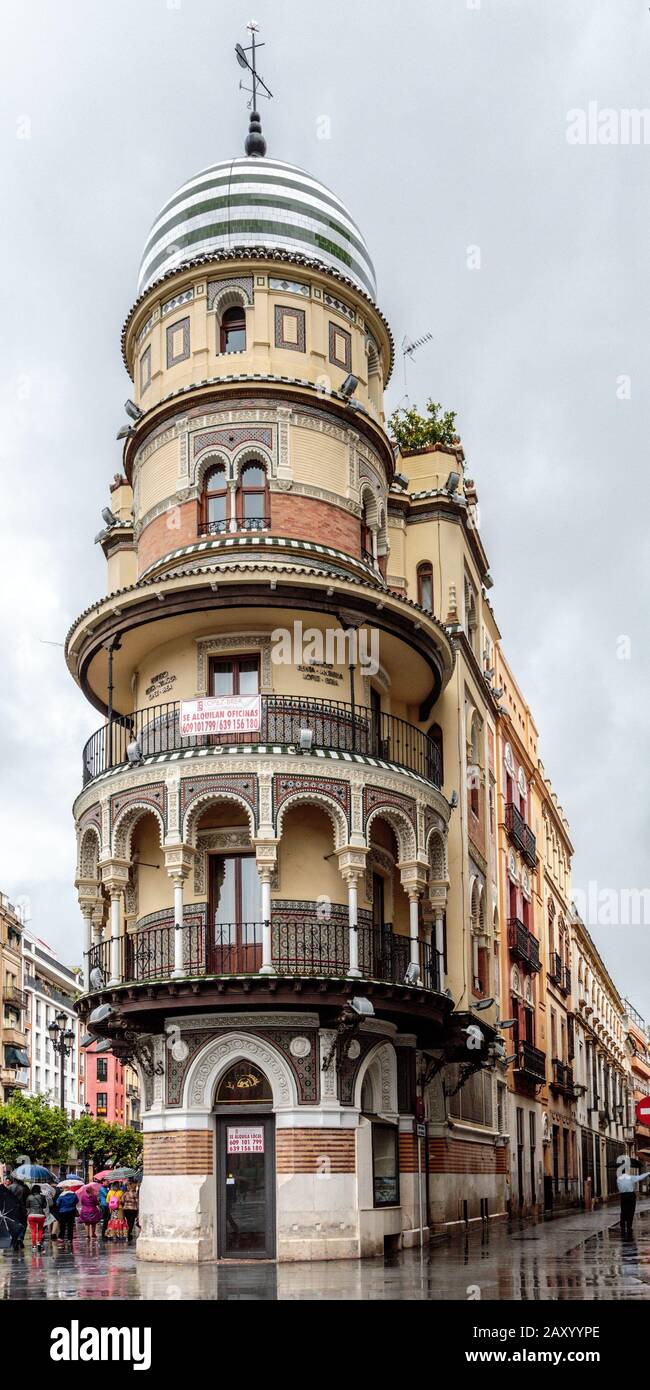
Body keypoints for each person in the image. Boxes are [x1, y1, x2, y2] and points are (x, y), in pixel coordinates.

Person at [617, 1168, 648, 1236]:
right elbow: (640, 1177)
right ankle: (629, 1225)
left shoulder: (618, 1179)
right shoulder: (631, 1177)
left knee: (623, 1209)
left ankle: (622, 1225)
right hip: (631, 1195)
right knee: (631, 1210)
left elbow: (619, 1187)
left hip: (623, 1195)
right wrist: (648, 1173)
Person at [4, 1176, 27, 1251]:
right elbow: (26, 1200)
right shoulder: (24, 1188)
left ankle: (15, 1240)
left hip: (11, 1209)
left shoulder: (9, 1187)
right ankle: (20, 1237)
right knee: (23, 1224)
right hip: (21, 1209)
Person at [25, 1183, 49, 1252]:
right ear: (39, 1190)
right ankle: (39, 1242)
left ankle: (34, 1245)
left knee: (33, 1231)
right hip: (40, 1215)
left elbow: (27, 1206)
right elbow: (44, 1206)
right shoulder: (42, 1197)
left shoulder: (29, 1197)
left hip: (31, 1215)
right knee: (40, 1229)